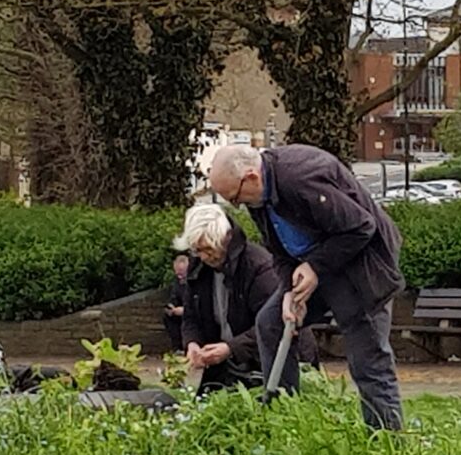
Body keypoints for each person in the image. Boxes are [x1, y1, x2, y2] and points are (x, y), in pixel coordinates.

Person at [207, 142, 405, 430]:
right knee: (271, 322)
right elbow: (280, 249)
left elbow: (361, 226)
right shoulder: (258, 196)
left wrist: (314, 266)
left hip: (362, 265)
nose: (238, 205)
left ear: (251, 177)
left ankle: (387, 442)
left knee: (368, 359)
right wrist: (289, 290)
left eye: (235, 197)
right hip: (321, 264)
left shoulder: (300, 178)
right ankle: (287, 421)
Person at [167, 202, 306, 394]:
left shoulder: (258, 267)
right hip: (223, 369)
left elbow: (272, 325)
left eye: (209, 249)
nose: (205, 257)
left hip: (265, 362)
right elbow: (191, 316)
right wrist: (192, 343)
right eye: (197, 250)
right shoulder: (197, 267)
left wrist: (230, 348)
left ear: (224, 239)